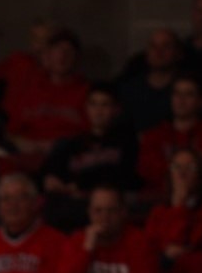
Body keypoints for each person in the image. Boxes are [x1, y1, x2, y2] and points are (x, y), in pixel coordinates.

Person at [40, 83, 139, 231]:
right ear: (86, 108)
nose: (98, 111)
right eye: (93, 104)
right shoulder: (72, 144)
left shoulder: (127, 142)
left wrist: (79, 184)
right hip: (73, 208)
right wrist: (51, 178)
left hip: (109, 207)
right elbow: (49, 170)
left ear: (116, 109)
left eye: (105, 105)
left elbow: (122, 174)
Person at [52, 186, 157, 273]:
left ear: (123, 212)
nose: (104, 217)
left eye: (111, 210)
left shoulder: (139, 241)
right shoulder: (78, 241)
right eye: (98, 211)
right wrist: (87, 250)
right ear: (89, 213)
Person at [6, 30, 90, 157]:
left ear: (76, 58)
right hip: (27, 156)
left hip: (68, 158)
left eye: (68, 51)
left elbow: (92, 133)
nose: (62, 56)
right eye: (58, 50)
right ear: (48, 55)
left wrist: (59, 146)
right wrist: (22, 143)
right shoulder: (29, 89)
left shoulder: (86, 91)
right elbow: (10, 130)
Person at [137, 75, 202, 193]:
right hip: (162, 198)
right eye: (177, 94)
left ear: (201, 101)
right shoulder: (154, 135)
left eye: (189, 94)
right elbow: (147, 170)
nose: (181, 100)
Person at [144, 148, 202, 260]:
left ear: (200, 175)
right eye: (176, 167)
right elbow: (148, 246)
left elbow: (188, 245)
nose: (181, 173)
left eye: (190, 168)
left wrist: (180, 206)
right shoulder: (158, 211)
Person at [117, 28, 183, 133]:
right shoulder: (132, 89)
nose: (158, 52)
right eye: (153, 46)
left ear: (178, 52)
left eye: (166, 46)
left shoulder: (185, 90)